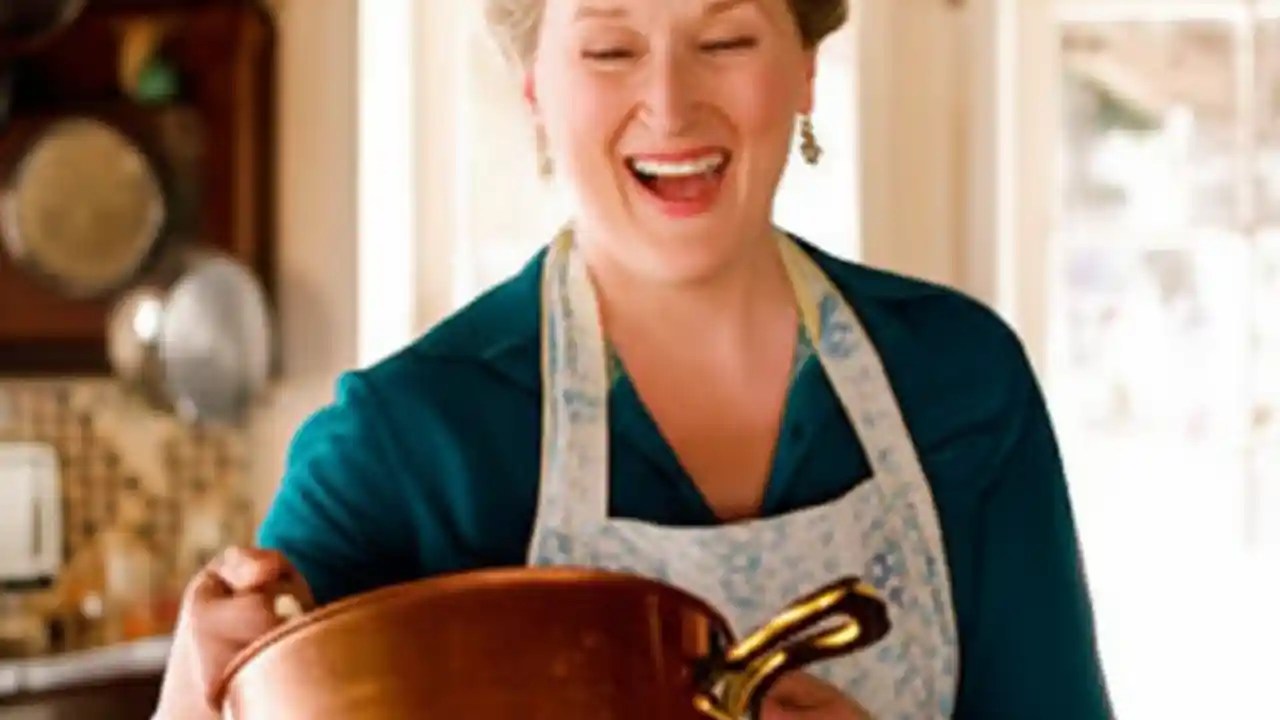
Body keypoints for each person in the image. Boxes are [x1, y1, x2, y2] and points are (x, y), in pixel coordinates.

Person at [154, 0, 1114, 718]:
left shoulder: (961, 380)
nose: (671, 104)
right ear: (534, 85)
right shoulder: (403, 443)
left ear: (808, 66)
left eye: (727, 39)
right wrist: (197, 692)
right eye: (612, 50)